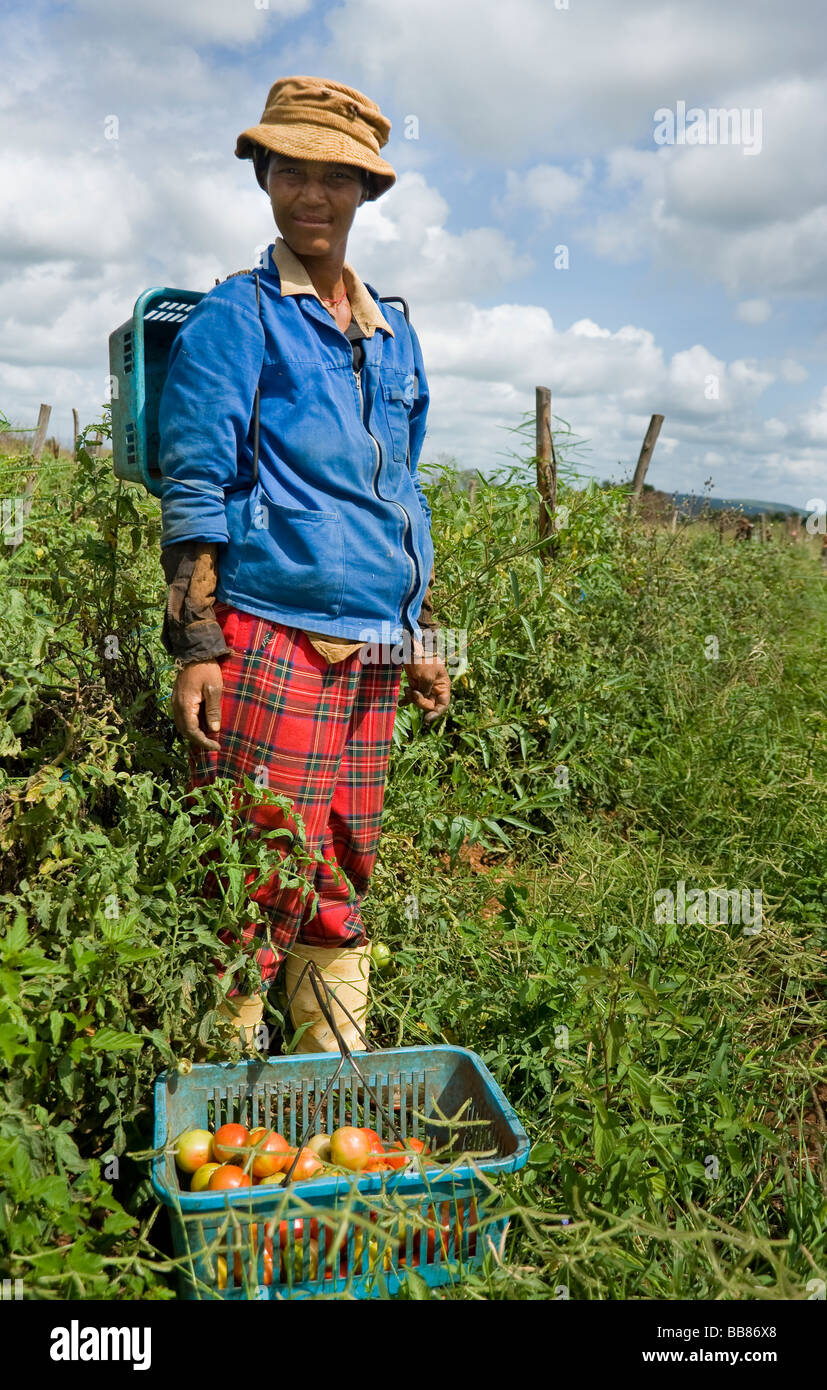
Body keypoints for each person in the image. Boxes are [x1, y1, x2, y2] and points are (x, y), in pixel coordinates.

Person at [157, 76, 451, 1055]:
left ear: (366, 192)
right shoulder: (236, 319)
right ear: (264, 178)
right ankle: (220, 1105)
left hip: (372, 648)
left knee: (337, 874)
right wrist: (197, 642)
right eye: (292, 172)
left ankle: (329, 1086)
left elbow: (399, 495)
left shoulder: (392, 332)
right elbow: (195, 486)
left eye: (335, 178)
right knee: (252, 878)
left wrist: (418, 635)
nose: (312, 196)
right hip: (272, 634)